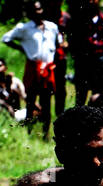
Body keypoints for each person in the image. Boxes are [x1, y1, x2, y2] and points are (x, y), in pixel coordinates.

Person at [4, 2, 62, 138]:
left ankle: (45, 134)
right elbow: (6, 38)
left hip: (47, 68)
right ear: (30, 13)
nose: (38, 12)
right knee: (30, 102)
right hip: (33, 68)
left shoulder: (52, 27)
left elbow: (57, 43)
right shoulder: (24, 28)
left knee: (46, 103)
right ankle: (29, 131)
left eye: (39, 9)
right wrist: (21, 48)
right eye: (34, 10)